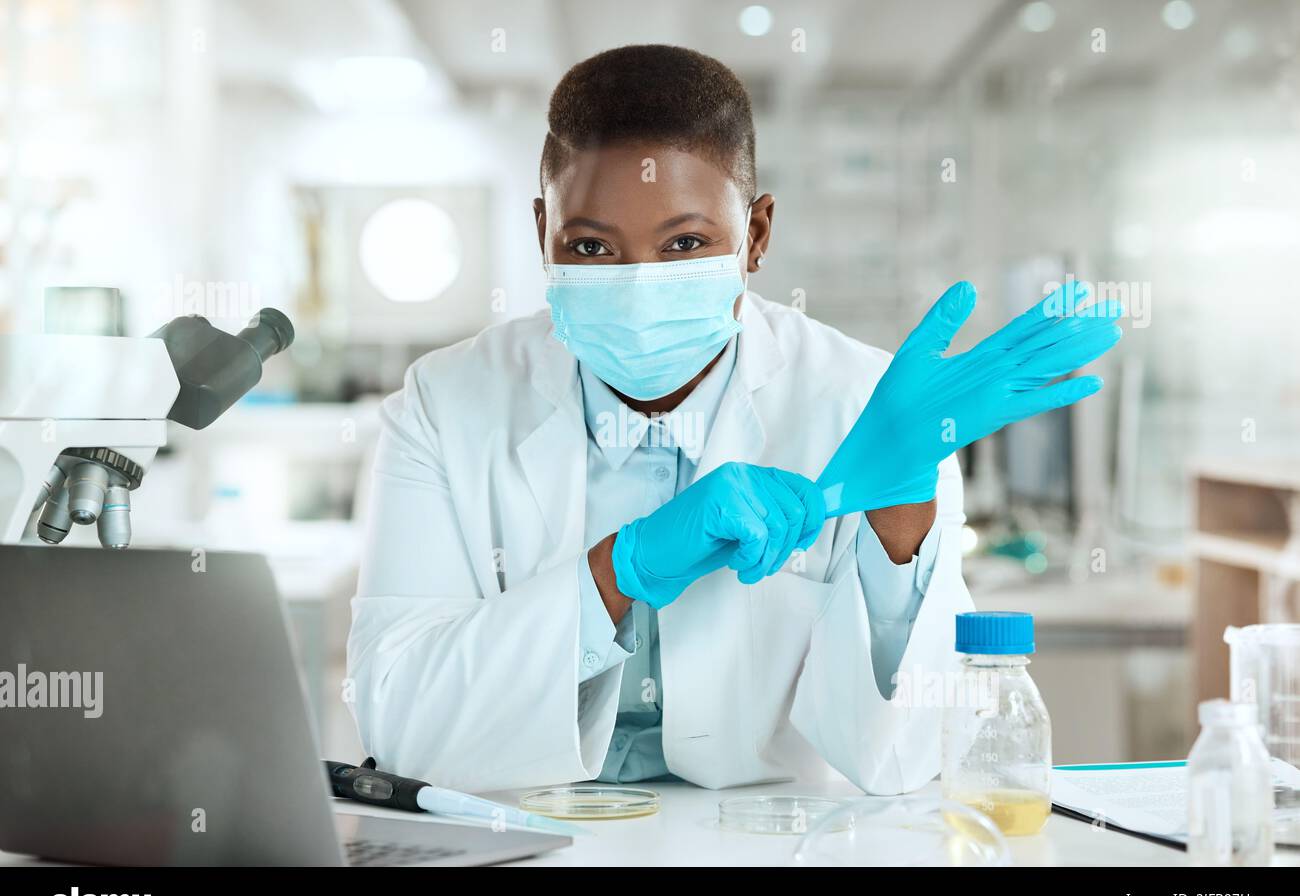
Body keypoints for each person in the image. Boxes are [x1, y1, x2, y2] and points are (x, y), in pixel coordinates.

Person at [346, 45, 1122, 793]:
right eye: (590, 246)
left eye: (685, 242)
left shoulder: (864, 403)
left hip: (769, 841)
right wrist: (615, 576)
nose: (639, 286)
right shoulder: (444, 405)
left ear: (755, 234)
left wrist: (903, 523)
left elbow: (908, 760)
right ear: (541, 232)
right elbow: (400, 723)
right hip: (525, 833)